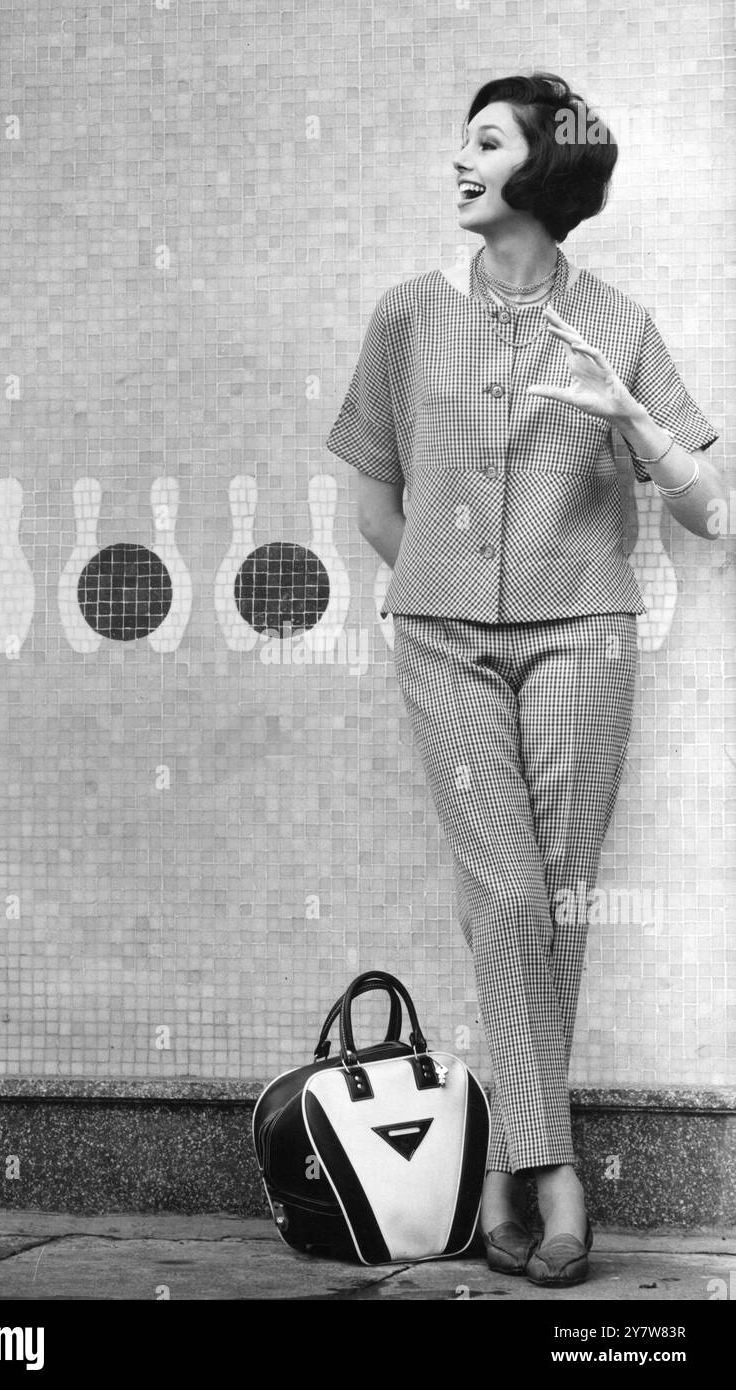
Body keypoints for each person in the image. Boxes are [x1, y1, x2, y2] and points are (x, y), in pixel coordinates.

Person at [325, 71, 722, 1288]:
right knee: (505, 894)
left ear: (540, 170)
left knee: (556, 893)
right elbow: (373, 501)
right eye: (461, 137)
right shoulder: (404, 315)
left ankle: (500, 1166)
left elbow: (714, 513)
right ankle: (557, 1178)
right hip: (440, 637)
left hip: (583, 639)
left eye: (485, 141)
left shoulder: (622, 325)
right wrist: (440, 583)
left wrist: (634, 426)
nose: (458, 158)